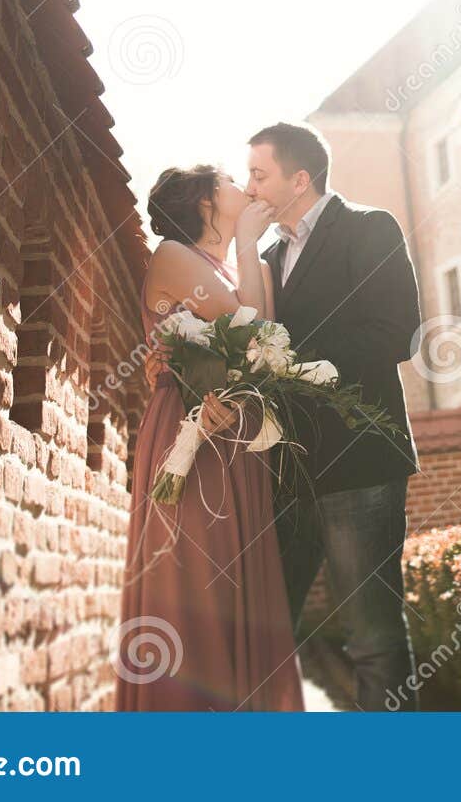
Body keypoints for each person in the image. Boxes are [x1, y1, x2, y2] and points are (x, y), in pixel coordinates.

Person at [244, 121, 422, 711]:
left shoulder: (370, 228)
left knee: (372, 638)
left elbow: (396, 332)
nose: (250, 189)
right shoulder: (264, 256)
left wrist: (294, 362)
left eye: (259, 175)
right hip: (287, 473)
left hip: (361, 466)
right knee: (265, 632)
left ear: (300, 179)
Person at [115, 164, 303, 711]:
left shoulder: (235, 268)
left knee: (237, 588)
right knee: (193, 581)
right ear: (202, 201)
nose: (241, 184)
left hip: (237, 433)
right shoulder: (173, 254)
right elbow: (245, 332)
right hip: (188, 435)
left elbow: (262, 341)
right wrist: (248, 241)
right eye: (226, 178)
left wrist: (247, 250)